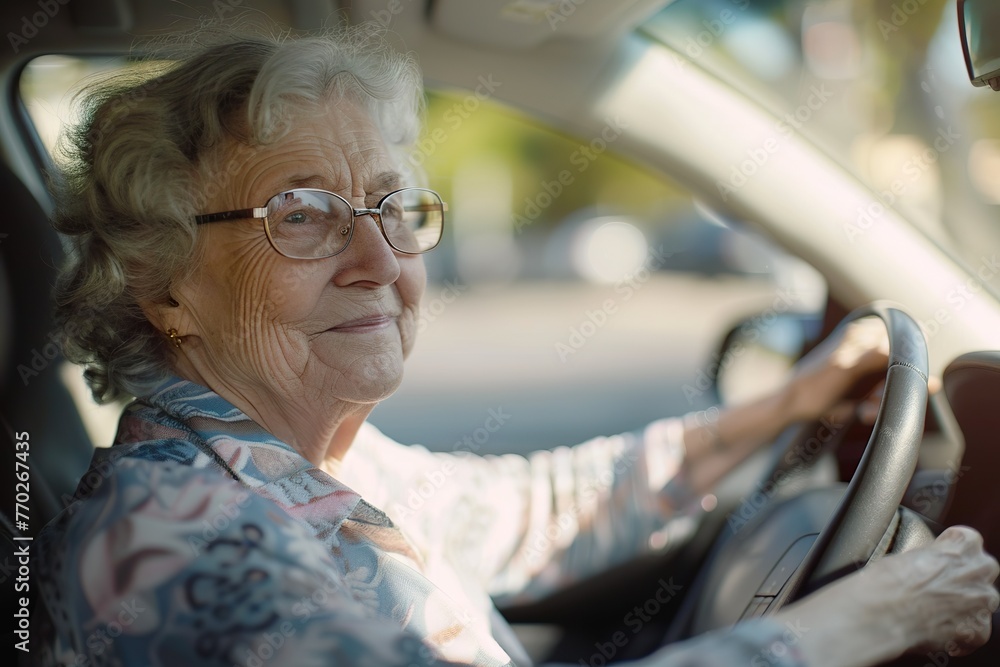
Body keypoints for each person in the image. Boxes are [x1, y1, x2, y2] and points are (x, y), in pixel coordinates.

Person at [34, 21, 998, 667]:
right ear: (163, 283)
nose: (380, 258)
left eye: (390, 206)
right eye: (301, 214)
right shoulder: (175, 539)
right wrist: (865, 618)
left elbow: (541, 510)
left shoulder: (310, 461)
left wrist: (785, 403)